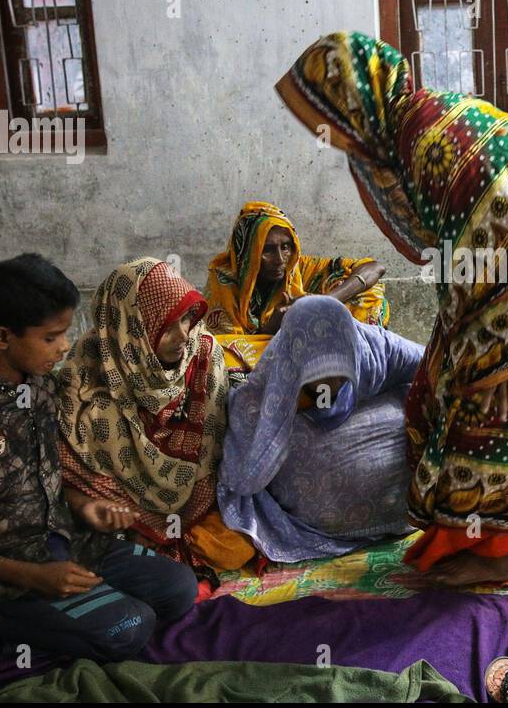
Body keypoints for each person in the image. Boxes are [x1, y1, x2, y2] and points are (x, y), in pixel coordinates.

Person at [274, 31, 508, 587]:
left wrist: (503, 356)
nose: (325, 136)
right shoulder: (411, 128)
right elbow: (462, 249)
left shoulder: (427, 137)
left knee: (493, 402)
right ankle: (498, 530)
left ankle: (501, 548)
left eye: (325, 119)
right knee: (452, 378)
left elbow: (496, 235)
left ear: (354, 101)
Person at [0, 254, 198, 661]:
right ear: (2, 337)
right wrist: (35, 576)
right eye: (51, 337)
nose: (65, 346)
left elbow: (46, 477)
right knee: (131, 628)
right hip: (10, 573)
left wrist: (86, 508)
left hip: (70, 544)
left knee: (179, 588)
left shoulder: (42, 389)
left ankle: (78, 607)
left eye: (64, 333)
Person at [56, 258, 254, 574]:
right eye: (165, 326)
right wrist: (99, 509)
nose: (183, 335)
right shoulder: (90, 368)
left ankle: (148, 540)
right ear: (130, 327)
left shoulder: (202, 356)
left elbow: (209, 457)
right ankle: (134, 539)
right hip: (116, 508)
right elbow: (71, 468)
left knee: (235, 547)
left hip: (192, 503)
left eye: (186, 319)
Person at [218, 295, 425, 562]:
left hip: (398, 497)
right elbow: (244, 467)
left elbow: (437, 366)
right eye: (318, 375)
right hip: (312, 508)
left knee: (415, 401)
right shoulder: (276, 375)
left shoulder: (374, 348)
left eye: (338, 373)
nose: (329, 387)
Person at [204, 201, 387, 371]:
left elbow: (376, 267)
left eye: (285, 247)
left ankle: (328, 365)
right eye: (267, 250)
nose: (280, 259)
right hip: (260, 353)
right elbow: (226, 344)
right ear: (247, 252)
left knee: (370, 293)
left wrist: (325, 301)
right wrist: (272, 328)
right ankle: (320, 369)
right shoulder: (225, 278)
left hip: (302, 347)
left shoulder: (297, 268)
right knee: (220, 362)